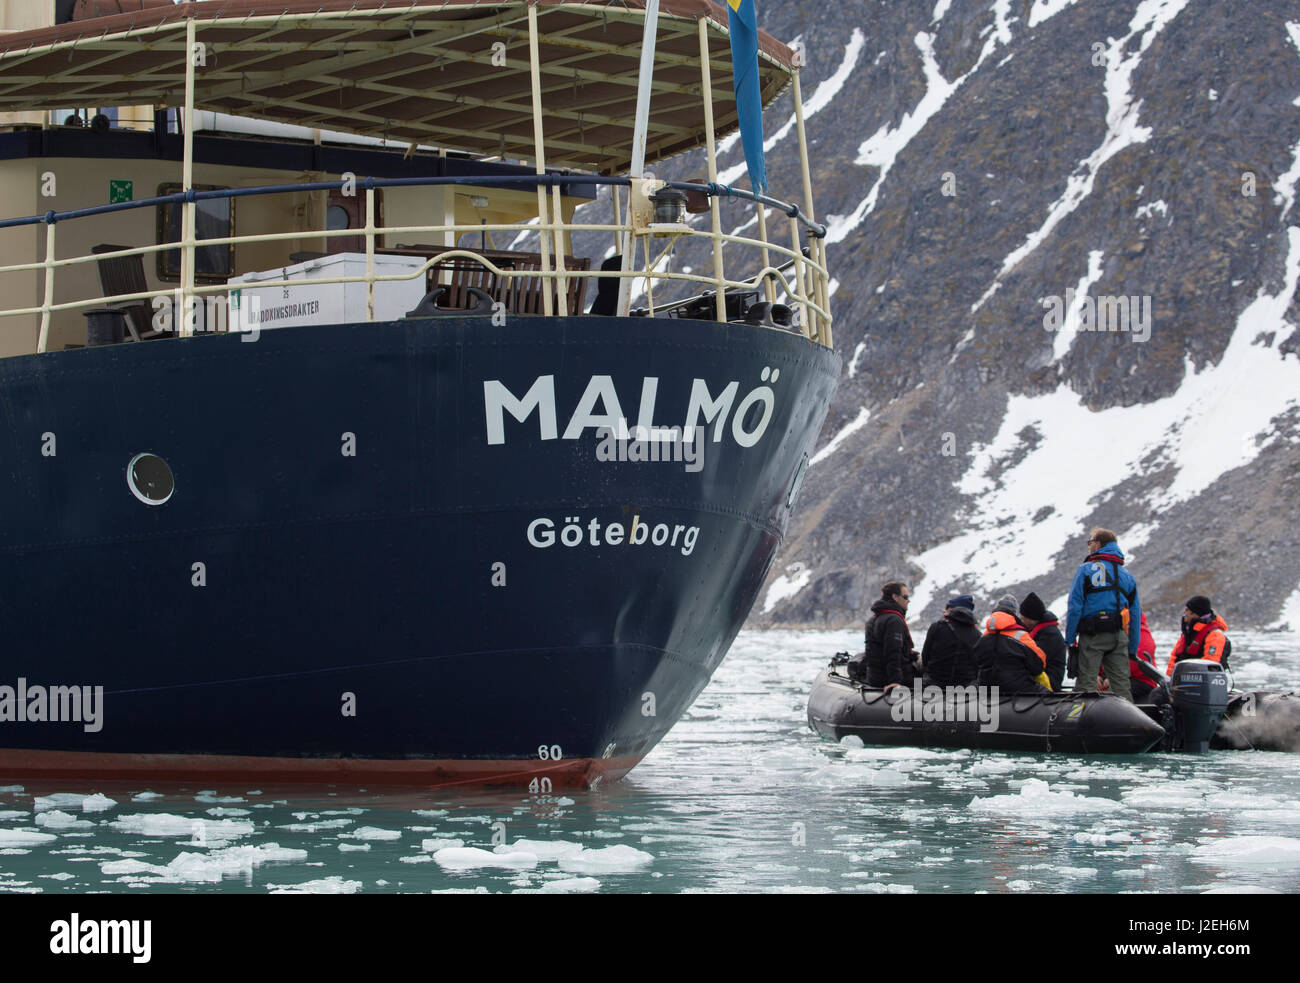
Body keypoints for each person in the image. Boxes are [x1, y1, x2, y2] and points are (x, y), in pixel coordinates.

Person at [1064, 528, 1141, 702]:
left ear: (1098, 544)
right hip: (1118, 637)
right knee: (1121, 686)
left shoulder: (1085, 570)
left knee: (1086, 684)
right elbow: (1135, 615)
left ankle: (1083, 723)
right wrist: (1132, 648)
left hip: (1093, 635)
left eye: (1090, 542)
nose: (1089, 546)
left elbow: (1075, 607)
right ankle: (1127, 724)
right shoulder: (1127, 576)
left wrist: (1069, 639)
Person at [849, 581, 919, 692]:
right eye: (905, 597)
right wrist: (895, 681)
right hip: (889, 680)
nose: (908, 600)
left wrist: (915, 655)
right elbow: (892, 652)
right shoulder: (893, 621)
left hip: (874, 677)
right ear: (895, 597)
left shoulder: (875, 618)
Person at [975, 595, 1052, 694]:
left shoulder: (984, 637)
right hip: (1018, 688)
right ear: (1014, 614)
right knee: (1047, 694)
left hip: (987, 689)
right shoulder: (1021, 635)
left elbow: (976, 661)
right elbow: (1038, 665)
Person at [920, 594, 980, 687]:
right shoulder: (977, 634)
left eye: (947, 608)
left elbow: (925, 658)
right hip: (965, 689)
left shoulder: (937, 627)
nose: (944, 611)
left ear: (951, 610)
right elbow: (977, 666)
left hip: (934, 685)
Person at [1165, 595, 1231, 676]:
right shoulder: (1188, 634)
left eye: (1187, 610)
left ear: (1194, 613)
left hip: (1203, 684)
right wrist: (1169, 678)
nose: (1184, 613)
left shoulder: (1215, 636)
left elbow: (1211, 663)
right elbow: (1174, 658)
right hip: (1183, 682)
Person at [1019, 591, 1067, 692]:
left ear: (1031, 619)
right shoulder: (1038, 631)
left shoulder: (1049, 634)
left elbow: (1035, 660)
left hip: (1050, 680)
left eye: (1023, 619)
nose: (1021, 621)